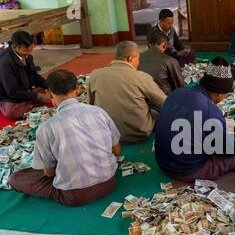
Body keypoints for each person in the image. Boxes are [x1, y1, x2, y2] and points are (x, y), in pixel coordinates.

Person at [9, 70, 121, 207]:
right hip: (109, 183)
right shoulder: (99, 112)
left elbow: (49, 173)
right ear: (78, 89)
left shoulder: (46, 128)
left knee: (16, 178)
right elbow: (117, 150)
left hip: (75, 196)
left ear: (49, 93)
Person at [155, 57, 235, 182]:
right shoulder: (209, 111)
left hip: (162, 163)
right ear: (219, 94)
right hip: (185, 170)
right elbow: (228, 151)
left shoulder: (176, 93)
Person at [88, 41, 166, 144]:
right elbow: (164, 103)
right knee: (158, 112)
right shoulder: (141, 77)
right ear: (131, 58)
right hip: (138, 133)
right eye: (138, 60)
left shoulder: (95, 75)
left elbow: (91, 105)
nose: (138, 63)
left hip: (107, 133)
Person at [0, 30, 51, 120]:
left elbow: (34, 76)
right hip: (8, 95)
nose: (29, 52)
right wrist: (37, 96)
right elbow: (12, 91)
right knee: (12, 112)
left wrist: (49, 85)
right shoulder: (5, 62)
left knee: (52, 88)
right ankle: (32, 102)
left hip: (25, 90)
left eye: (31, 49)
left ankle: (31, 102)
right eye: (26, 50)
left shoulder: (27, 56)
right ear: (15, 47)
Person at [139, 30, 185, 95]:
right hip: (164, 99)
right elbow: (180, 86)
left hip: (142, 97)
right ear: (164, 45)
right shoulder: (170, 61)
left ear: (149, 44)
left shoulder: (137, 57)